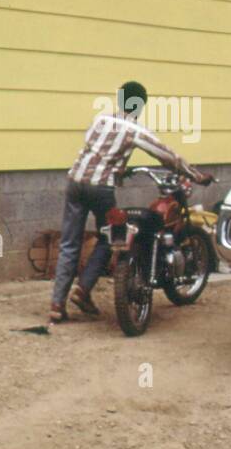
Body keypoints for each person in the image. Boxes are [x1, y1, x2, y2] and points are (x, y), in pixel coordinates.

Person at [50, 81, 209, 324]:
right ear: (140, 105)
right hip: (100, 188)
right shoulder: (134, 129)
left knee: (69, 242)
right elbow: (167, 156)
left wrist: (121, 169)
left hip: (74, 182)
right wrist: (195, 175)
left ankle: (57, 305)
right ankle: (82, 290)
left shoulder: (100, 121)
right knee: (110, 238)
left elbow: (97, 150)